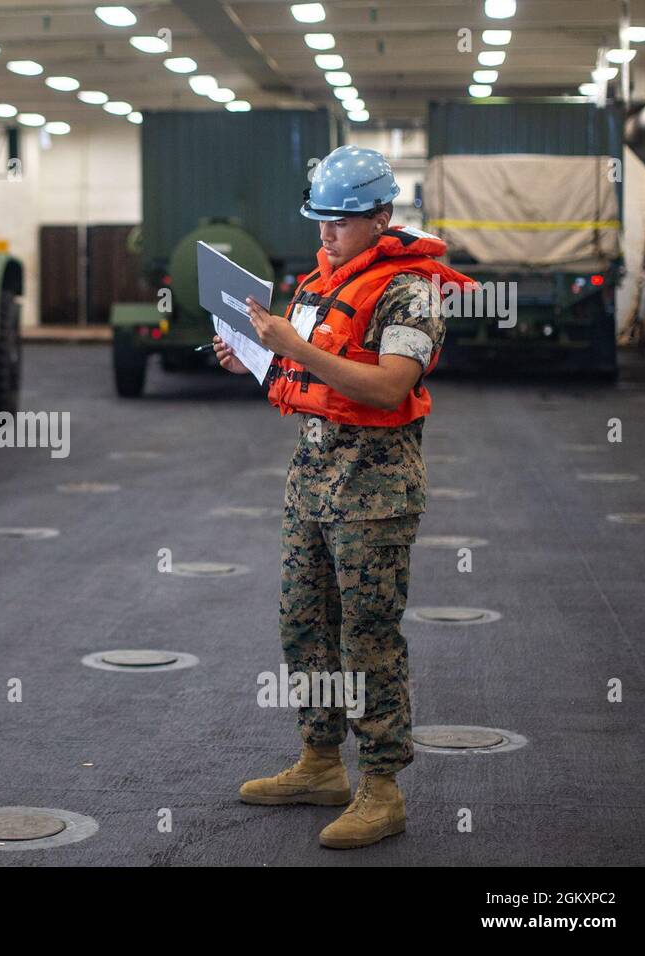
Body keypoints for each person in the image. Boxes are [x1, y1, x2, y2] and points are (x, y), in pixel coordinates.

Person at [214, 145, 473, 849]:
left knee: (368, 638)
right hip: (312, 483)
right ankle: (321, 763)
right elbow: (310, 381)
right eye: (319, 219)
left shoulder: (408, 291)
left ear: (382, 217)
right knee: (305, 629)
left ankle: (382, 789)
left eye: (342, 221)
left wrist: (294, 349)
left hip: (374, 491)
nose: (326, 232)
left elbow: (389, 385)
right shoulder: (320, 282)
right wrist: (257, 356)